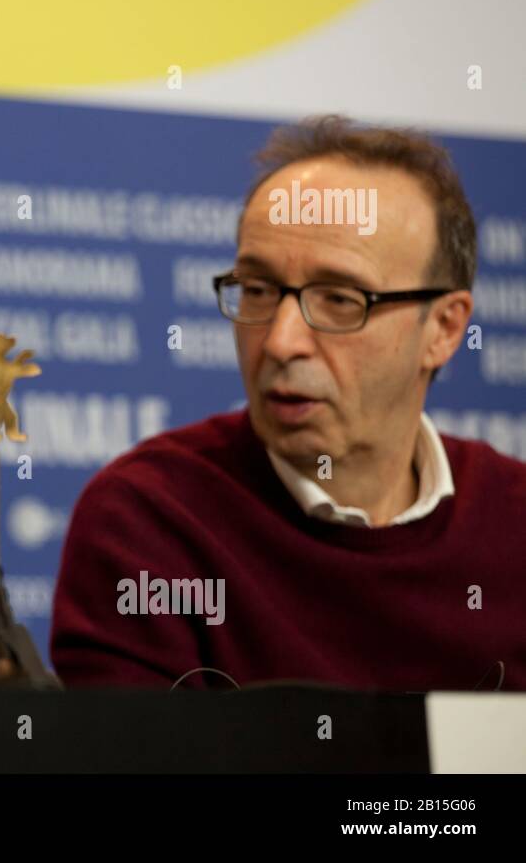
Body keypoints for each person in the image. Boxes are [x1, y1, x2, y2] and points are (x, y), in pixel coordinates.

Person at [51, 116, 526, 691]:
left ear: (444, 330)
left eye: (340, 300)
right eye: (257, 290)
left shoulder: (511, 521)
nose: (279, 342)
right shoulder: (150, 520)